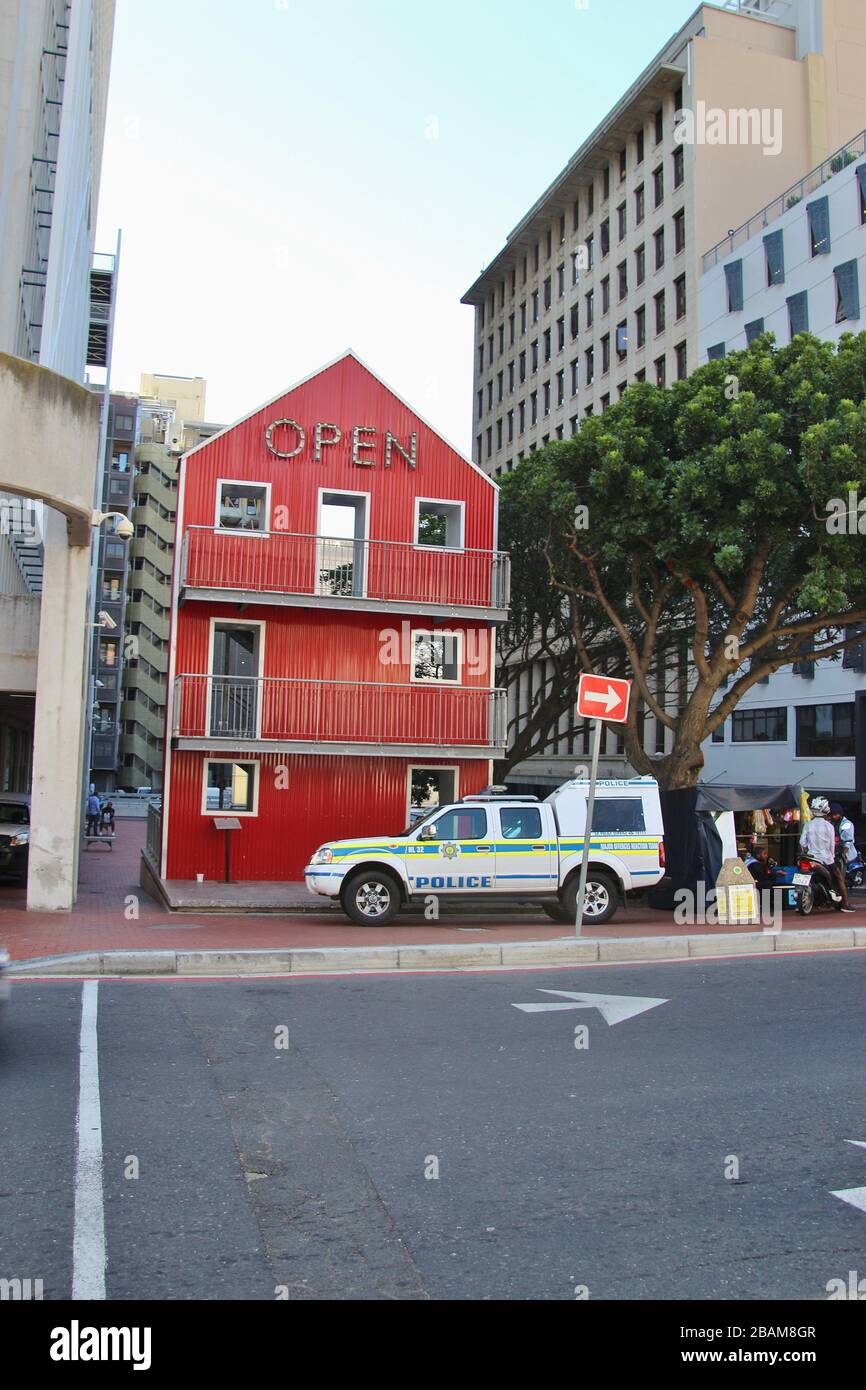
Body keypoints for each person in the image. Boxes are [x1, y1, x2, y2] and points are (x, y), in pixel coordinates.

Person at [800, 797, 853, 911]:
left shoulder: (807, 825)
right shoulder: (829, 826)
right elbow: (831, 845)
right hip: (826, 859)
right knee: (839, 877)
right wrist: (832, 856)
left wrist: (808, 849)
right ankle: (845, 904)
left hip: (810, 856)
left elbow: (802, 842)